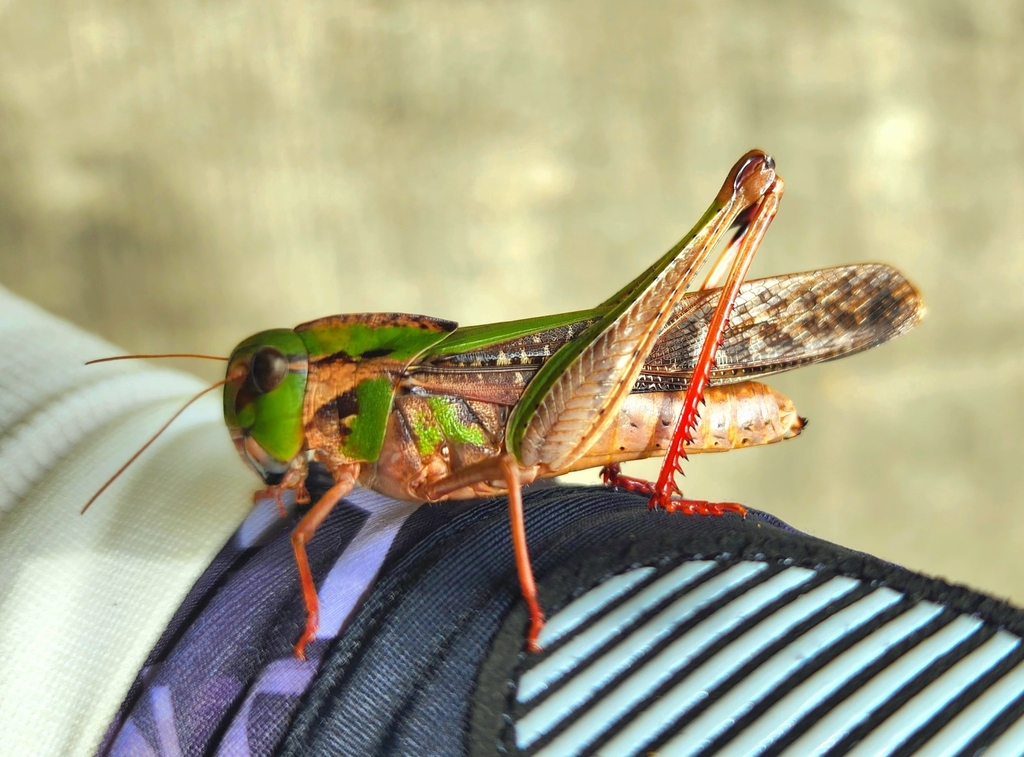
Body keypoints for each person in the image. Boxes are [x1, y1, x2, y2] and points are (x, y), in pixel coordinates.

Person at [3, 283, 1023, 757]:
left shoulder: (398, 390)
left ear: (333, 372)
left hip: (588, 421)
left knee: (506, 471)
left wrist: (538, 591)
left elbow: (506, 464)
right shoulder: (344, 424)